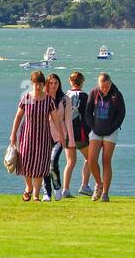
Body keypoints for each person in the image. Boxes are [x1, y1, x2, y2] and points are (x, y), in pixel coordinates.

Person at [9, 70, 55, 202]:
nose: (38, 87)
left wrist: (62, 134)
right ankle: (28, 188)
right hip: (27, 136)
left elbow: (56, 118)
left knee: (39, 165)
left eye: (40, 84)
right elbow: (18, 116)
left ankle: (35, 195)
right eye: (36, 84)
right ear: (32, 84)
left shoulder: (48, 100)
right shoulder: (27, 98)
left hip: (43, 137)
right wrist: (13, 133)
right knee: (26, 163)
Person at [82, 72, 125, 202]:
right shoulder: (94, 93)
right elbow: (88, 111)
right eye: (102, 87)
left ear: (110, 83)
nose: (104, 89)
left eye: (106, 86)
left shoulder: (116, 95)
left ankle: (105, 193)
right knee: (91, 159)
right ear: (99, 84)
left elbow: (121, 114)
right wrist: (92, 126)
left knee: (106, 161)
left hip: (110, 131)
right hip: (96, 130)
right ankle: (99, 184)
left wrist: (112, 128)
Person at [41, 73, 69, 201]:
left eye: (56, 83)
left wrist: (70, 140)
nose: (53, 86)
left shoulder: (64, 99)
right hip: (44, 136)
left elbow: (68, 120)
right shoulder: (42, 99)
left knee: (53, 162)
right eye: (51, 83)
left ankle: (57, 188)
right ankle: (47, 192)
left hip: (60, 136)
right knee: (44, 165)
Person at [65, 72, 92, 198]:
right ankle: (84, 185)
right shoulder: (84, 96)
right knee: (90, 158)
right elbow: (87, 115)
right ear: (82, 82)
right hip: (79, 133)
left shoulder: (65, 95)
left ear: (71, 82)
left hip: (67, 133)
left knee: (70, 162)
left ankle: (65, 189)